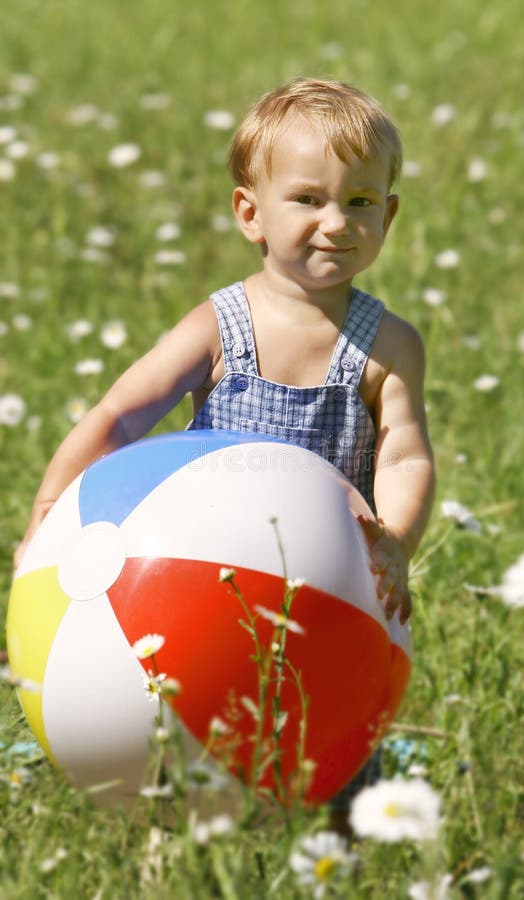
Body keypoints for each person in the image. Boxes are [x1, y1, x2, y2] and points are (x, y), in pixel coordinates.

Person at [14, 77, 435, 808]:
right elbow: (120, 415)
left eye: (360, 202)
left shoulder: (388, 347)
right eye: (307, 199)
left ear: (388, 216)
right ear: (251, 213)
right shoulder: (218, 326)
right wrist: (50, 510)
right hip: (190, 587)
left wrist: (396, 538)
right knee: (152, 714)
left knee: (324, 766)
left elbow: (404, 454)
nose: (336, 222)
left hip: (325, 587)